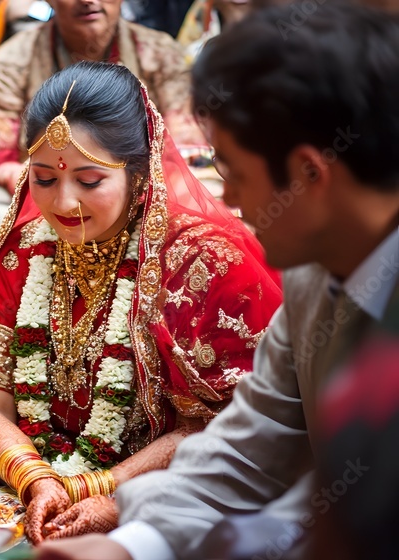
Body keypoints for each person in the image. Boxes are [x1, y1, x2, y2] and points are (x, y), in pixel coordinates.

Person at [35, 4, 399, 559]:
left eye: (234, 173)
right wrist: (134, 544)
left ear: (310, 173)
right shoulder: (311, 281)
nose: (226, 199)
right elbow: (250, 448)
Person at [0, 61, 282, 545]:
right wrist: (36, 478)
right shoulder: (23, 253)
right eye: (44, 179)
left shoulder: (200, 263)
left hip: (165, 505)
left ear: (139, 172)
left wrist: (108, 496)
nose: (64, 204)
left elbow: (230, 431)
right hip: (25, 489)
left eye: (89, 182)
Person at [0, 0, 206, 280]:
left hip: (147, 184)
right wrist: (47, 188)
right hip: (29, 187)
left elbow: (186, 144)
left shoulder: (161, 53)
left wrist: (131, 190)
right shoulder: (11, 60)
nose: (87, 0)